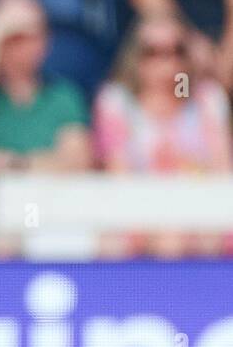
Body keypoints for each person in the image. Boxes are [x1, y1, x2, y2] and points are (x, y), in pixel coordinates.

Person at [94, 14, 233, 256]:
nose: (167, 62)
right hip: (138, 215)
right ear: (135, 58)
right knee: (167, 236)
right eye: (153, 52)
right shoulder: (116, 102)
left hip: (201, 214)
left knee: (193, 233)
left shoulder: (208, 99)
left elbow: (222, 173)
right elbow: (120, 179)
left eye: (176, 50)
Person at [0, 0, 93, 171]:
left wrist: (15, 164)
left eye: (24, 36)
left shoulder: (62, 96)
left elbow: (76, 164)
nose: (16, 45)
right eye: (7, 35)